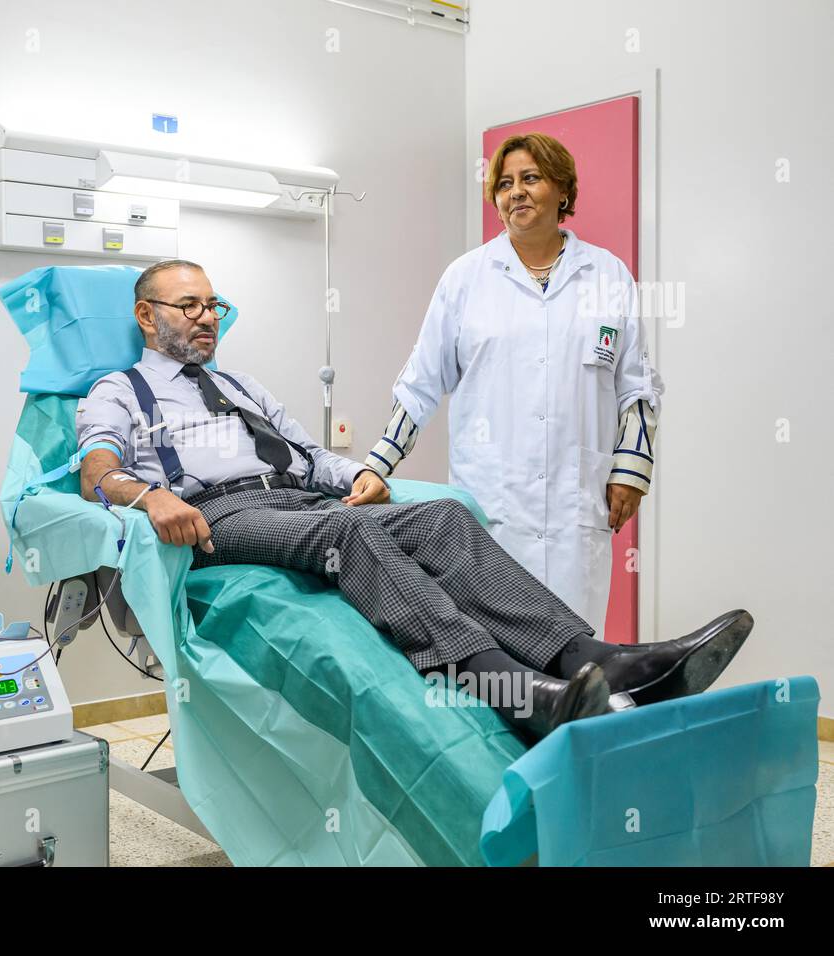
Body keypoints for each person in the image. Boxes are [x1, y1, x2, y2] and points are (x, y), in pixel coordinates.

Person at [74, 259, 747, 741]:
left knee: (443, 518)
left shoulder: (244, 386)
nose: (206, 318)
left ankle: (598, 659)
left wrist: (358, 476)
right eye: (189, 306)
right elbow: (95, 470)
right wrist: (147, 496)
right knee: (352, 537)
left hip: (296, 502)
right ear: (146, 314)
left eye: (213, 306)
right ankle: (513, 692)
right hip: (218, 515)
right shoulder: (121, 389)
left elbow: (308, 456)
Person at [365, 133, 661, 636]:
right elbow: (419, 384)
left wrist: (630, 472)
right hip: (492, 504)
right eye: (504, 183)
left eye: (531, 178)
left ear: (562, 191)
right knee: (496, 651)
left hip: (575, 503)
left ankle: (574, 713)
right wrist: (377, 465)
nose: (516, 192)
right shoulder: (465, 278)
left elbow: (637, 385)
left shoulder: (608, 275)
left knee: (575, 645)